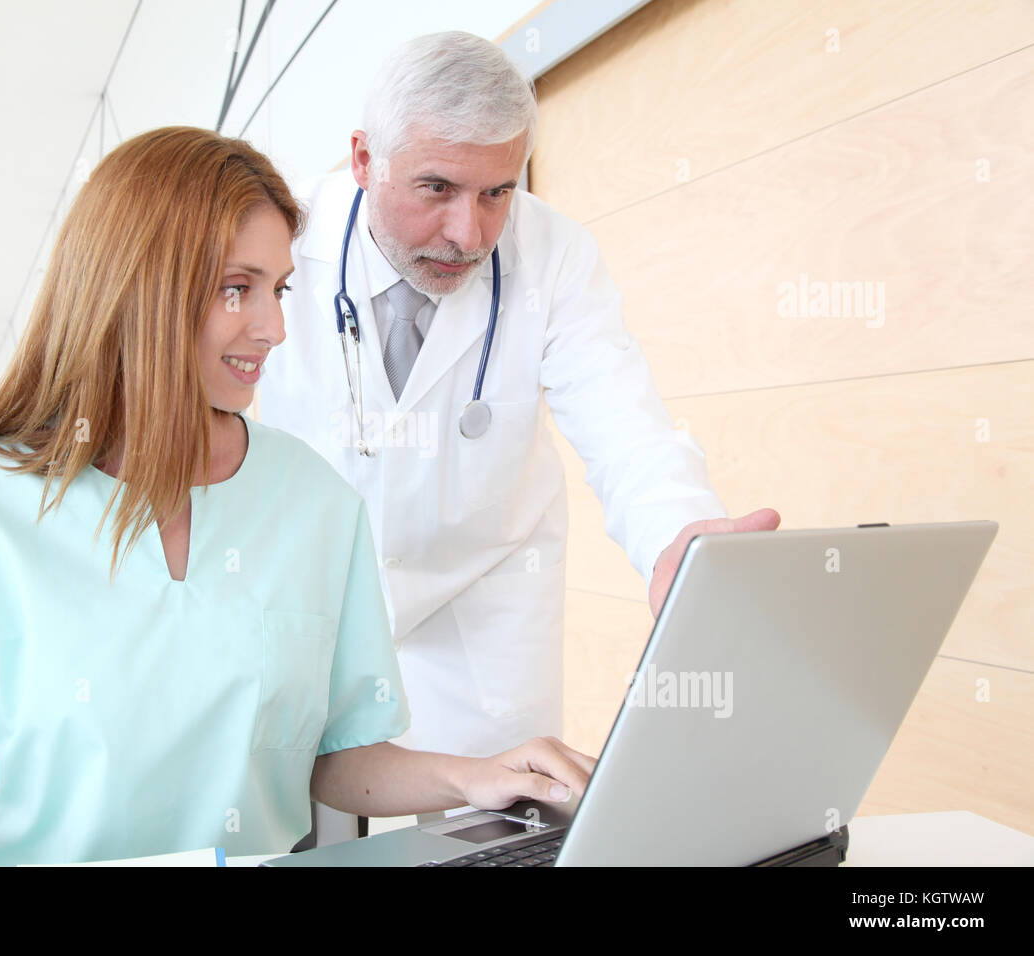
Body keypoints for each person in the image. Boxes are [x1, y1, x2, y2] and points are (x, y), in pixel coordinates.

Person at [0, 127, 593, 867]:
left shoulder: (316, 505)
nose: (273, 327)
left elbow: (338, 755)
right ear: (136, 288)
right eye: (235, 288)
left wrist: (471, 775)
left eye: (279, 288)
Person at [259, 32, 780, 759]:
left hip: (485, 585)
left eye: (497, 192)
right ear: (364, 160)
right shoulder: (281, 240)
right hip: (302, 577)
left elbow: (623, 421)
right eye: (436, 188)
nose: (468, 233)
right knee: (292, 797)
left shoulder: (554, 254)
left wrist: (676, 534)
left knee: (503, 810)